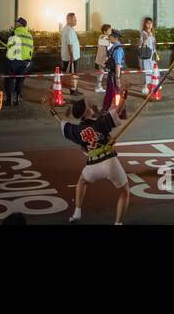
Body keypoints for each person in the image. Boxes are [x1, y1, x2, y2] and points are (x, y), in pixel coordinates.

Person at [50, 81, 131, 224]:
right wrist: (124, 94)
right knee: (124, 192)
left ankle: (77, 213)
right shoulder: (100, 123)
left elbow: (61, 123)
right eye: (88, 105)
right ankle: (118, 223)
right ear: (87, 112)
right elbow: (117, 110)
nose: (91, 105)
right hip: (109, 161)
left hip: (93, 165)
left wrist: (51, 110)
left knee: (82, 181)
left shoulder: (77, 130)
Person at [2, 17, 34, 105]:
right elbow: (31, 49)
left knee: (9, 79)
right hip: (25, 62)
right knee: (20, 80)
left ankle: (9, 100)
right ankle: (18, 98)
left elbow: (7, 44)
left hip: (14, 61)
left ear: (20, 24)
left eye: (17, 23)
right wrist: (28, 61)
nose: (15, 24)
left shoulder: (15, 33)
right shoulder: (29, 35)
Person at [102, 29, 126, 111]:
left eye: (111, 36)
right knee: (112, 92)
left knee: (112, 93)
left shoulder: (117, 50)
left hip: (114, 74)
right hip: (112, 74)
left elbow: (118, 65)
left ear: (115, 37)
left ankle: (111, 110)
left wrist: (118, 78)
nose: (109, 38)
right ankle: (113, 109)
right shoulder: (114, 47)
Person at [59, 12, 81, 96]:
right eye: (74, 19)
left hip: (68, 56)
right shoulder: (69, 30)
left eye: (76, 19)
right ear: (68, 20)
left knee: (67, 73)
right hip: (71, 57)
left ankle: (74, 88)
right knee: (73, 74)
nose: (76, 21)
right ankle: (73, 90)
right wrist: (72, 57)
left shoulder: (67, 28)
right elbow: (70, 45)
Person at [137, 16, 158, 93]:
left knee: (154, 69)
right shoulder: (143, 33)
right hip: (146, 54)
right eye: (148, 23)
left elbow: (153, 44)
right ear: (145, 24)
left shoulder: (153, 32)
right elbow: (141, 44)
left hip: (152, 53)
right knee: (147, 70)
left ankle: (154, 84)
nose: (150, 25)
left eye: (151, 23)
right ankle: (145, 86)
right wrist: (147, 36)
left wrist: (156, 52)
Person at [93, 23, 111, 93]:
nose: (110, 31)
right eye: (109, 30)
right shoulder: (104, 38)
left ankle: (98, 86)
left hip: (100, 57)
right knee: (101, 73)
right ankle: (98, 87)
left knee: (101, 73)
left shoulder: (101, 36)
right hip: (102, 58)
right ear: (105, 31)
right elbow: (108, 46)